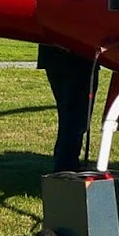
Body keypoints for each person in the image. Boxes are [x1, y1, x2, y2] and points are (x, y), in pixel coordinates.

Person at [36, 44, 96, 173]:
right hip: (78, 59)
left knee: (68, 115)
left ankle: (65, 163)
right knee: (76, 119)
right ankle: (66, 167)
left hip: (54, 56)